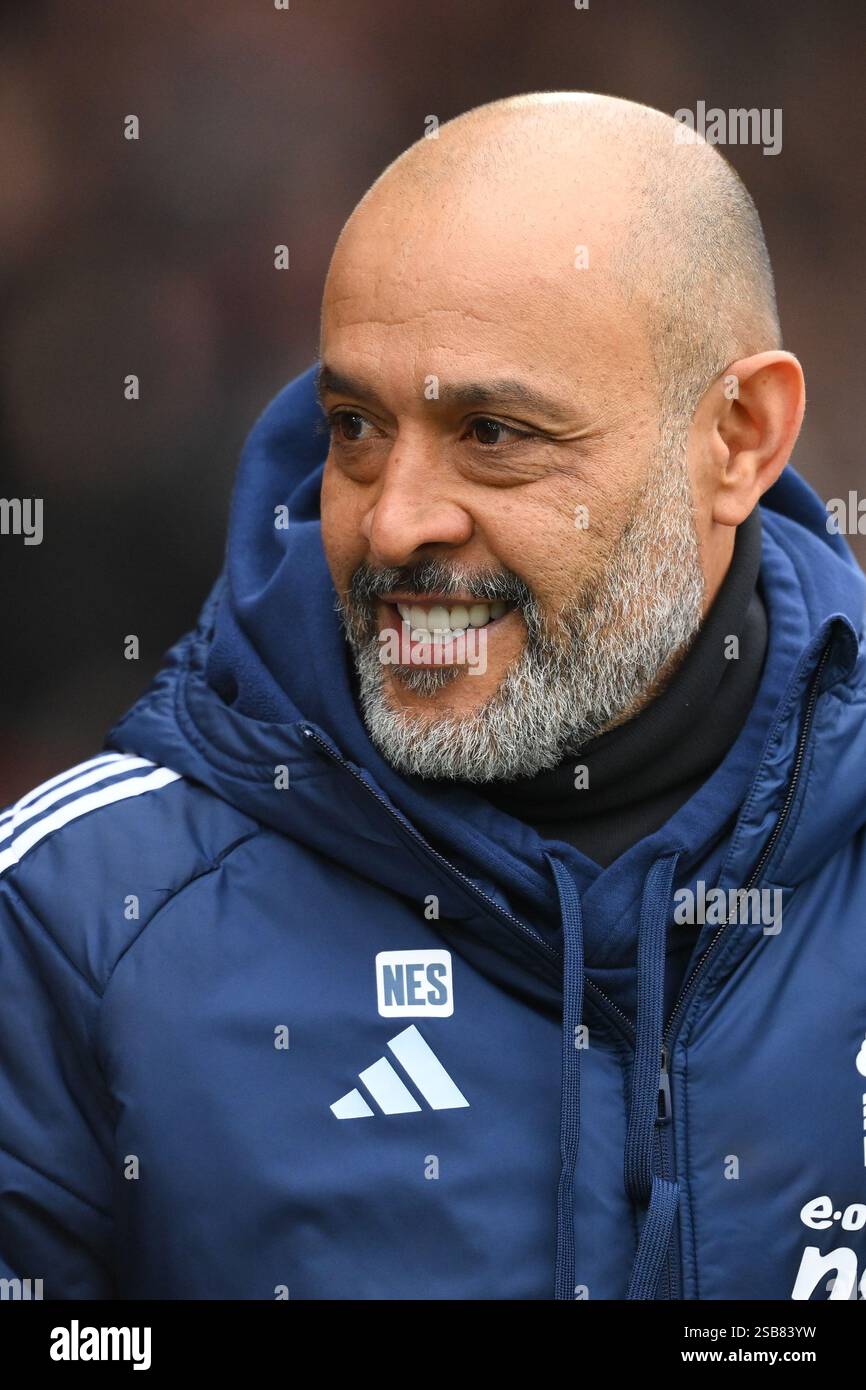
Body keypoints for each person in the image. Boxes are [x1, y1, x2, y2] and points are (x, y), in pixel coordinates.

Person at [1, 91, 864, 1302]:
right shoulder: (75, 917)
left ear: (736, 437)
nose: (394, 518)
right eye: (354, 426)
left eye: (495, 434)